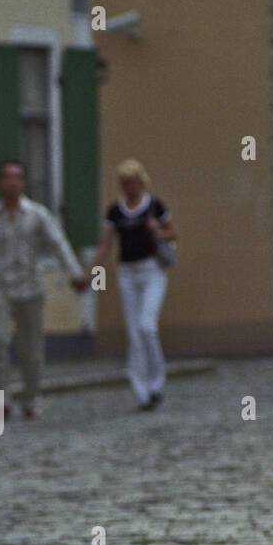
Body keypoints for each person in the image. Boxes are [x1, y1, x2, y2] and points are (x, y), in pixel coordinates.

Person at [0, 159, 85, 419]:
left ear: (23, 182)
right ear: (0, 183)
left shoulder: (37, 214)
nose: (12, 182)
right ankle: (1, 400)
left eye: (17, 177)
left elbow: (58, 243)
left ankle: (32, 398)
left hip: (31, 287)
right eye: (7, 177)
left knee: (30, 348)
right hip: (0, 287)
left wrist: (75, 273)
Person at [82, 159, 177, 410]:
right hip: (127, 273)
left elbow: (173, 232)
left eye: (131, 183)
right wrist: (90, 271)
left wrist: (157, 230)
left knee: (147, 326)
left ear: (140, 182)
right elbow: (106, 244)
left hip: (151, 271)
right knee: (134, 333)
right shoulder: (115, 211)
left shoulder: (154, 206)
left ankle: (157, 382)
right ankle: (142, 391)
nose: (128, 188)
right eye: (123, 184)